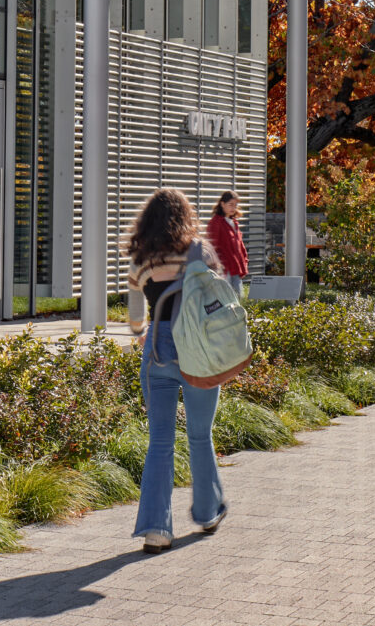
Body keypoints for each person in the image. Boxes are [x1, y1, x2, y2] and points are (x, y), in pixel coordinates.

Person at [127, 187, 229, 553]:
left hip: (158, 351)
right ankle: (206, 512)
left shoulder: (142, 259)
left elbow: (135, 318)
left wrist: (143, 335)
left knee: (159, 444)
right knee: (200, 435)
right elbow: (219, 296)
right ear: (186, 217)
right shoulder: (199, 251)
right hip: (199, 351)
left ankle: (156, 530)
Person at [206, 191, 250, 298]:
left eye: (235, 205)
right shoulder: (216, 223)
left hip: (236, 268)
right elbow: (212, 247)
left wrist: (244, 261)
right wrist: (217, 268)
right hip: (224, 270)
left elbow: (240, 246)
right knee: (228, 300)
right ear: (222, 204)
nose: (233, 208)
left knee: (239, 299)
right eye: (230, 205)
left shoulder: (234, 222)